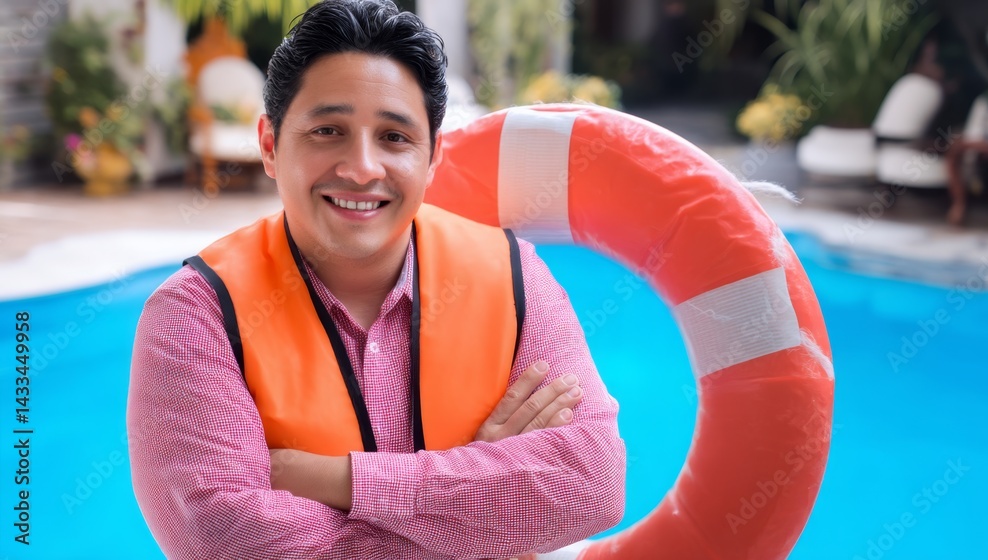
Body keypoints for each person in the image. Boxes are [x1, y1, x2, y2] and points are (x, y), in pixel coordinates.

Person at [127, 1, 626, 558]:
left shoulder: (512, 275)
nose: (361, 168)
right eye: (328, 130)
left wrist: (330, 478)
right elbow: (222, 539)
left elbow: (593, 484)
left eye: (394, 137)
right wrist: (476, 506)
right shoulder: (197, 314)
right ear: (269, 144)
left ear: (434, 154)